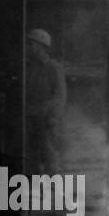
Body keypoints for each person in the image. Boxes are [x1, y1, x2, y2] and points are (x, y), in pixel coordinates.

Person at [24, 29, 66, 175]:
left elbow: (60, 94)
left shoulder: (53, 67)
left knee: (50, 154)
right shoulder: (28, 68)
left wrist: (54, 116)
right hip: (31, 117)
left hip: (47, 119)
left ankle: (52, 187)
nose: (28, 47)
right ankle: (34, 188)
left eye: (31, 44)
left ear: (41, 46)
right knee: (31, 155)